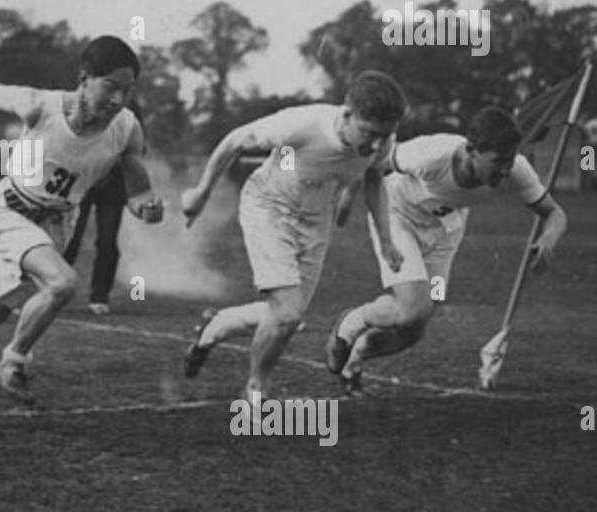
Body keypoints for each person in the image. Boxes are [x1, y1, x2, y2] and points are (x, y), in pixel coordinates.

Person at [0, 36, 164, 406]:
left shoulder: (127, 128)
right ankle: (12, 364)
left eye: (127, 91)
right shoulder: (39, 106)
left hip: (56, 226)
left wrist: (148, 209)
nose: (118, 101)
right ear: (84, 77)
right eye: (110, 87)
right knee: (61, 284)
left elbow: (138, 192)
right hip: (10, 212)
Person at [179, 71, 406, 407]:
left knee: (289, 316)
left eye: (383, 136)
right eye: (370, 133)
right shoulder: (303, 124)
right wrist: (201, 193)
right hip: (268, 206)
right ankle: (255, 392)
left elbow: (374, 179)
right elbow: (235, 141)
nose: (376, 144)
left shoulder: (382, 140)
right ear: (346, 114)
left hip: (315, 221)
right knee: (286, 314)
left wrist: (386, 240)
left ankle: (213, 329)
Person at [325, 106, 567, 394]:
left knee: (414, 329)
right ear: (471, 150)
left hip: (444, 235)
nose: (506, 169)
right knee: (412, 309)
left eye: (510, 160)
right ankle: (350, 322)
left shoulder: (516, 169)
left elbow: (554, 213)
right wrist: (349, 192)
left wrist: (549, 238)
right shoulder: (431, 154)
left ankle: (355, 359)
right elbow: (375, 164)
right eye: (499, 160)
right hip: (398, 217)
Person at [62, 102, 144, 315]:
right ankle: (51, 288)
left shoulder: (131, 114)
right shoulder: (86, 104)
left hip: (113, 185)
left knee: (107, 241)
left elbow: (137, 150)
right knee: (70, 237)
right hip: (82, 181)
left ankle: (99, 297)